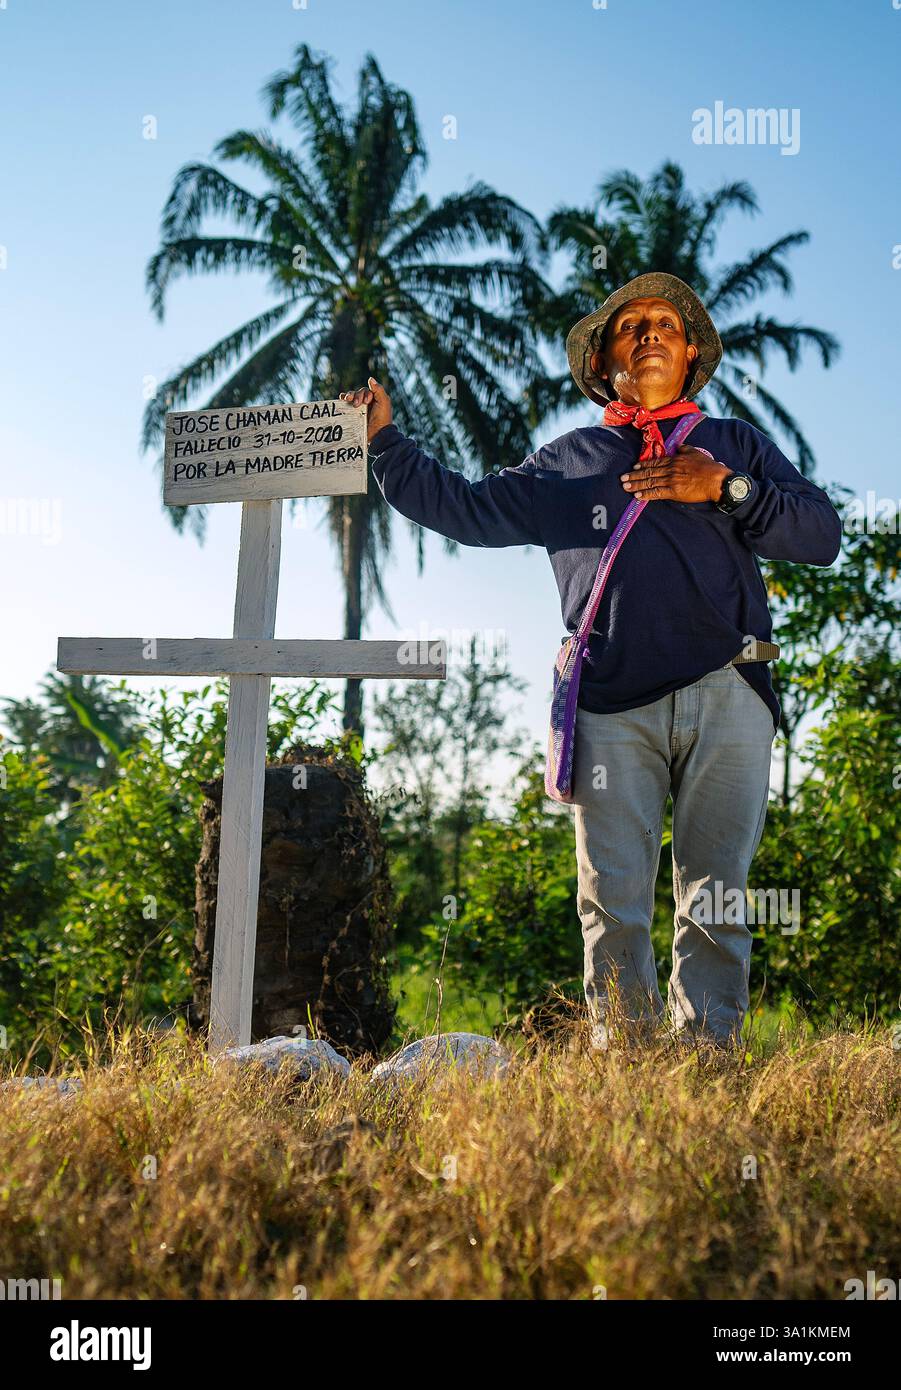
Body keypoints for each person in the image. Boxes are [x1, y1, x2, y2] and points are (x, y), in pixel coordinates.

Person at [340, 271, 842, 1050]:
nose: (648, 332)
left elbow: (819, 536)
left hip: (728, 689)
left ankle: (709, 1057)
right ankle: (629, 1065)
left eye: (665, 325)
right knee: (613, 901)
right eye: (629, 325)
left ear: (689, 357)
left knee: (716, 894)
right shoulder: (569, 461)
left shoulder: (735, 444)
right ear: (604, 360)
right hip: (608, 705)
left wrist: (726, 488)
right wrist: (384, 442)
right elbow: (464, 508)